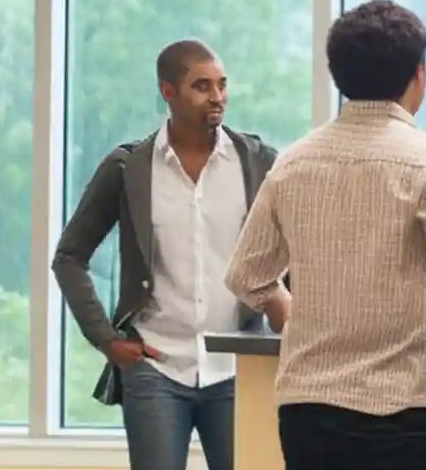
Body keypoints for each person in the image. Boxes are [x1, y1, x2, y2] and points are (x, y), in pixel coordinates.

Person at [224, 0, 426, 470]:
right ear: (418, 75)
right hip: (392, 410)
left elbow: (246, 274)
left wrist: (288, 309)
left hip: (303, 411)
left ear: (339, 75)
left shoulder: (294, 162)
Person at [53, 39, 279, 470]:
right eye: (201, 86)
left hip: (237, 369)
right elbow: (69, 257)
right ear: (168, 92)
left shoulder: (257, 163)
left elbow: (291, 256)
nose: (217, 97)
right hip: (155, 368)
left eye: (222, 84)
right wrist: (105, 338)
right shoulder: (128, 168)